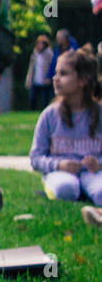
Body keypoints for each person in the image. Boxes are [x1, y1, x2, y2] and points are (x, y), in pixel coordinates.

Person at [30, 48, 102, 215]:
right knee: (66, 189)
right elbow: (35, 158)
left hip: (94, 173)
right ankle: (78, 191)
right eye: (56, 73)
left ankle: (89, 193)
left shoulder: (99, 114)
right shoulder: (50, 115)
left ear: (83, 80)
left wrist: (99, 163)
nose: (55, 78)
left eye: (63, 73)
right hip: (61, 173)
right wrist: (59, 164)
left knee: (100, 193)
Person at [26, 34, 54, 111]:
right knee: (33, 97)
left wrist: (49, 77)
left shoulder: (49, 53)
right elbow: (31, 67)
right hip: (36, 78)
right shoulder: (35, 53)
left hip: (45, 79)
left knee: (45, 99)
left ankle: (45, 112)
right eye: (39, 43)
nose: (40, 45)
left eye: (42, 43)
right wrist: (29, 79)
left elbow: (51, 66)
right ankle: (32, 111)